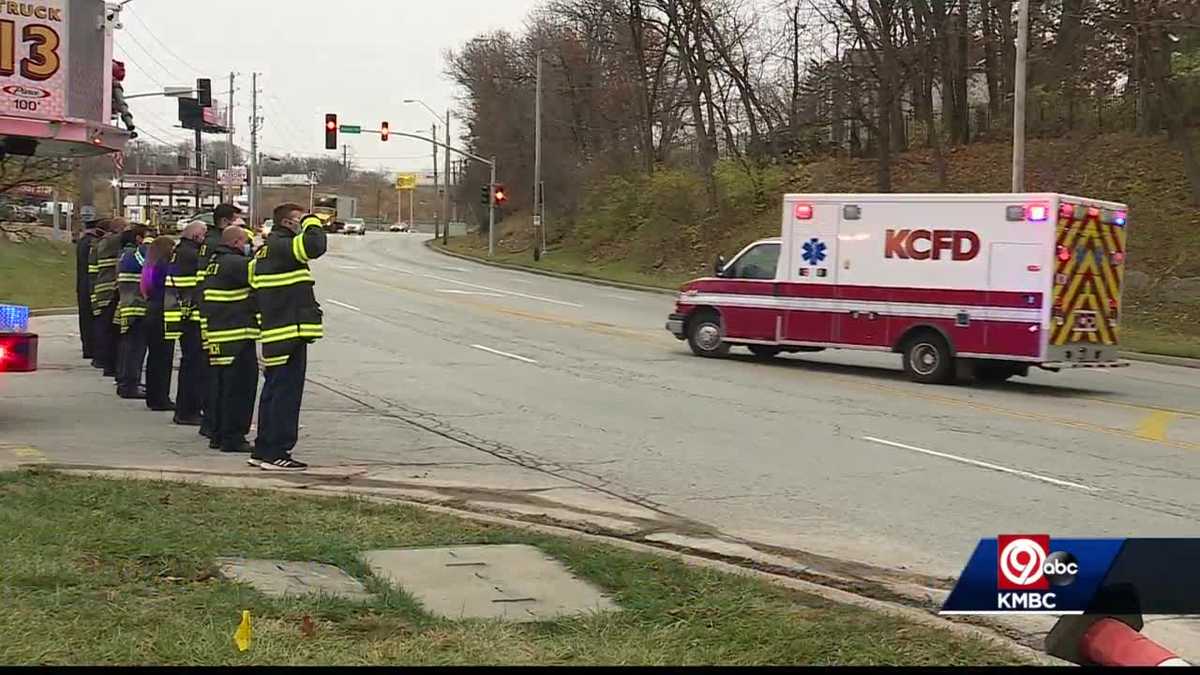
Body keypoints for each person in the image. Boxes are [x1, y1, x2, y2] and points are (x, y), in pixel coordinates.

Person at [247, 204, 327, 471]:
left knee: (273, 391)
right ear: (287, 222)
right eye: (298, 219)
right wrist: (312, 220)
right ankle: (276, 451)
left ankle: (262, 450)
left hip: (277, 330)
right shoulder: (283, 245)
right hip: (288, 329)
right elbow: (314, 246)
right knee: (285, 395)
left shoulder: (266, 250)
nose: (302, 223)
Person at [198, 226, 259, 454]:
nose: (248, 246)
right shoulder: (234, 263)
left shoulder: (214, 262)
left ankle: (217, 433)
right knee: (240, 390)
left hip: (218, 334)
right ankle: (233, 437)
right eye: (246, 242)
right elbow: (260, 275)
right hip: (237, 336)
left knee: (221, 388)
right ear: (236, 242)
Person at [197, 204, 240, 441]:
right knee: (220, 377)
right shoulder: (218, 246)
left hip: (209, 314)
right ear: (225, 222)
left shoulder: (210, 243)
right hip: (219, 319)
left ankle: (210, 423)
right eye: (237, 221)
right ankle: (214, 424)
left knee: (213, 374)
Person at [164, 222, 207, 426]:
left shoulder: (179, 250)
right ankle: (188, 411)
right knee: (194, 365)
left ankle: (186, 409)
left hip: (182, 314)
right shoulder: (192, 255)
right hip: (191, 316)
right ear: (197, 235)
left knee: (190, 363)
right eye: (204, 235)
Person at [141, 235, 177, 410]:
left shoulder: (150, 265)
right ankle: (161, 398)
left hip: (151, 310)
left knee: (155, 357)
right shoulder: (165, 265)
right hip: (162, 311)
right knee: (163, 357)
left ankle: (153, 396)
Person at [114, 225, 151, 399]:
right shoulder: (135, 254)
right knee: (134, 349)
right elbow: (148, 264)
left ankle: (126, 381)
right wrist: (149, 245)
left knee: (129, 347)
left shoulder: (125, 253)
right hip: (135, 307)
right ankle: (129, 384)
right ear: (139, 238)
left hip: (129, 306)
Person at [90, 217, 128, 377]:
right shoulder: (113, 242)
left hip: (101, 289)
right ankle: (110, 364)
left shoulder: (99, 244)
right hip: (110, 290)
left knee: (105, 329)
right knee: (113, 331)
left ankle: (104, 361)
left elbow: (92, 272)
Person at [76, 218, 106, 361]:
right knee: (92, 316)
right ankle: (92, 348)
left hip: (82, 283)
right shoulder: (92, 243)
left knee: (85, 317)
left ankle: (87, 347)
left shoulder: (82, 242)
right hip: (91, 283)